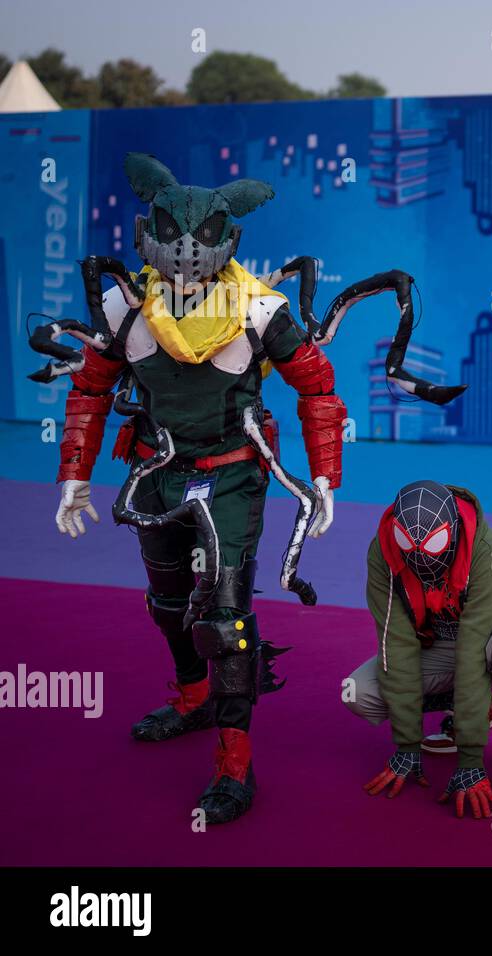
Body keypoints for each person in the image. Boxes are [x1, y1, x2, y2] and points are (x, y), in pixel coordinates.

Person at [49, 153, 345, 824]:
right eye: (171, 236)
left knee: (227, 621)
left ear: (227, 239)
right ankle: (191, 697)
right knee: (166, 603)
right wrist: (74, 474)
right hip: (155, 472)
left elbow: (317, 385)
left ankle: (235, 761)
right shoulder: (127, 309)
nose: (185, 253)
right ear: (146, 233)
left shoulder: (260, 310)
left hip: (233, 474)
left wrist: (326, 473)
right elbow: (90, 388)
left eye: (202, 238)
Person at [343, 480, 492, 818]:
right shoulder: (383, 551)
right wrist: (407, 745)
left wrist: (470, 760)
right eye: (407, 543)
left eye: (433, 543)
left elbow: (472, 649)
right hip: (440, 641)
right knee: (358, 693)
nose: (420, 556)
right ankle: (481, 709)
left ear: (451, 531)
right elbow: (396, 643)